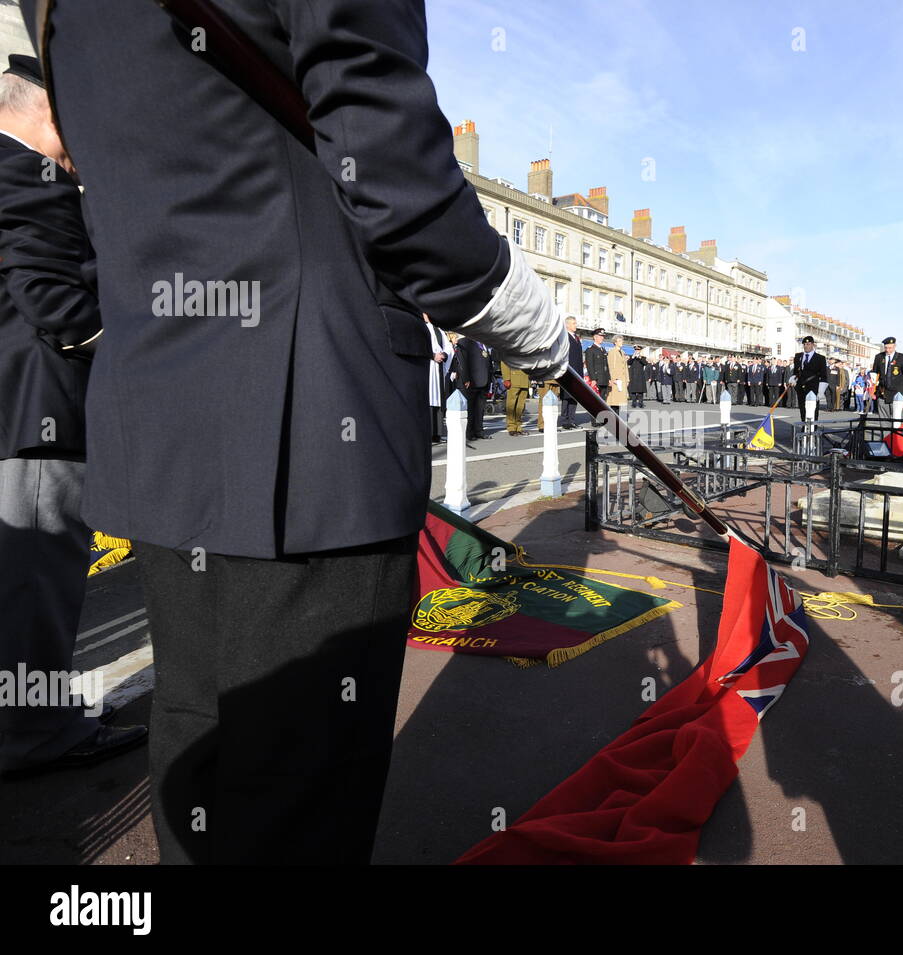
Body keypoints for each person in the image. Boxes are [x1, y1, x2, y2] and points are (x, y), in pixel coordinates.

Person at [23, 0, 568, 863]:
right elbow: (391, 170)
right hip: (310, 412)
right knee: (298, 790)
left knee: (199, 744)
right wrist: (524, 312)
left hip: (166, 410)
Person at [0, 54, 148, 779]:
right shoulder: (29, 175)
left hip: (14, 410)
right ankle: (33, 734)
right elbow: (55, 304)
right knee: (36, 582)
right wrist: (136, 360)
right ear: (48, 112)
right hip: (38, 413)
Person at [453, 335, 492, 440]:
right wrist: (466, 378)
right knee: (470, 408)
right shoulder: (465, 341)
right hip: (472, 380)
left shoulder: (484, 343)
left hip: (484, 380)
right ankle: (469, 432)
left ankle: (479, 430)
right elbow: (462, 361)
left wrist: (491, 379)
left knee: (480, 408)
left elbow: (488, 361)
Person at [790, 336, 829, 422]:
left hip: (813, 388)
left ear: (813, 345)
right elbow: (796, 372)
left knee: (813, 409)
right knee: (802, 409)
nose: (806, 346)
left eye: (808, 344)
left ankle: (813, 429)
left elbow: (823, 376)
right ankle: (804, 426)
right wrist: (793, 378)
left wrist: (821, 391)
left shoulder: (820, 358)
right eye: (804, 344)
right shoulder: (798, 356)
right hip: (801, 387)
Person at [872, 337, 903, 421]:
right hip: (883, 392)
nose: (887, 350)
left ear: (894, 346)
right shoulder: (879, 357)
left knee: (897, 421)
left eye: (890, 348)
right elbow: (874, 373)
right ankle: (886, 434)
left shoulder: (902, 358)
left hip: (897, 393)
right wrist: (872, 389)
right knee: (884, 421)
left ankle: (895, 434)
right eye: (886, 348)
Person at [424, 315, 450, 443]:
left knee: (438, 399)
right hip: (426, 366)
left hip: (438, 367)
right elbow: (418, 344)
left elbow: (448, 348)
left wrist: (443, 355)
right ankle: (427, 432)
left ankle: (437, 433)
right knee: (428, 398)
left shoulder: (438, 330)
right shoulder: (420, 326)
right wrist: (432, 355)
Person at [557, 315, 582, 430]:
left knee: (574, 397)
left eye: (575, 323)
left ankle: (572, 419)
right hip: (568, 371)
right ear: (567, 325)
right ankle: (564, 420)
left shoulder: (576, 338)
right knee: (566, 397)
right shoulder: (564, 336)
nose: (575, 325)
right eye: (573, 323)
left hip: (577, 372)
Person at [500, 358, 530, 436]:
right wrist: (506, 378)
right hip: (513, 379)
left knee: (521, 406)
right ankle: (511, 427)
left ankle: (518, 427)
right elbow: (504, 361)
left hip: (525, 379)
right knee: (511, 405)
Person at [585, 328, 611, 400]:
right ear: (595, 337)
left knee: (603, 400)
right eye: (600, 336)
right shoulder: (590, 349)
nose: (602, 338)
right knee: (595, 400)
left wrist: (609, 378)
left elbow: (606, 365)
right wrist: (593, 379)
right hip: (597, 379)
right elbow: (589, 365)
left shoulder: (603, 350)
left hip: (604, 379)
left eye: (603, 336)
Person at [607, 335, 629, 418]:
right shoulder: (612, 352)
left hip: (622, 379)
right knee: (614, 400)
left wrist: (627, 379)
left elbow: (625, 366)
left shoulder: (622, 352)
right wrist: (613, 378)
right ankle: (613, 417)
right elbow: (611, 366)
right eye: (619, 341)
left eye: (622, 340)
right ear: (615, 342)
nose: (621, 342)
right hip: (616, 379)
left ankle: (617, 416)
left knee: (620, 400)